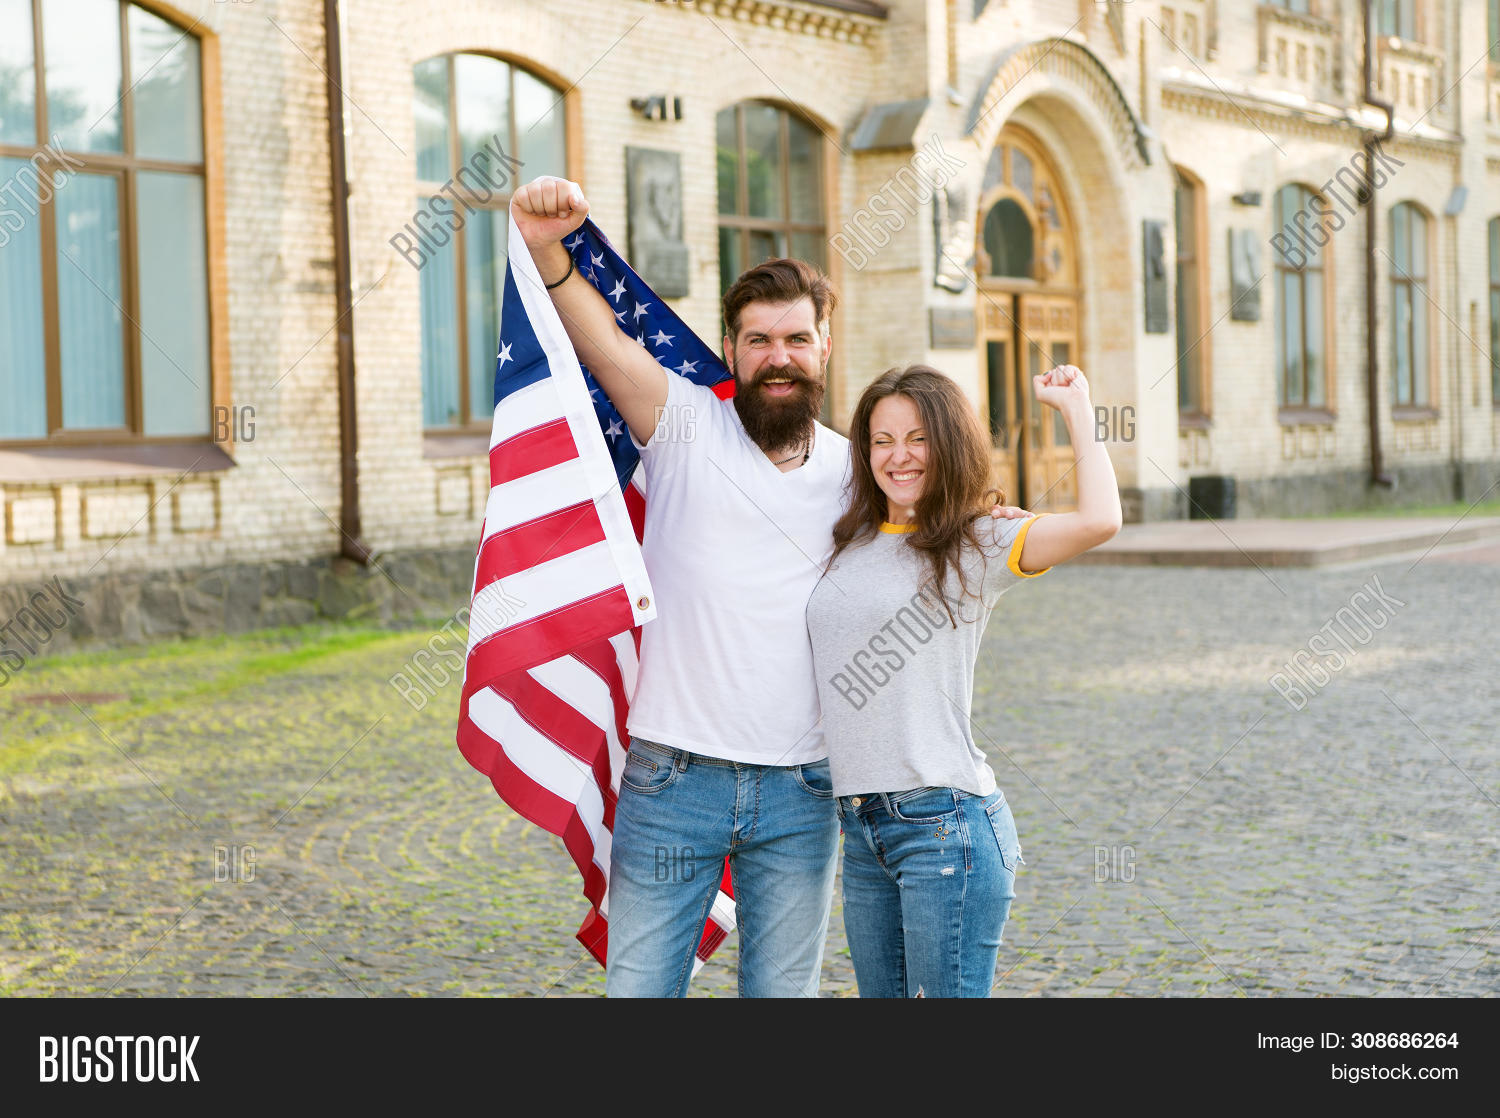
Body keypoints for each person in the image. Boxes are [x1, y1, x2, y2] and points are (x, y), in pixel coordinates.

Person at [509, 177, 1021, 997]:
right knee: (638, 991)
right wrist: (548, 251)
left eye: (795, 339)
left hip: (803, 790)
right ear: (732, 347)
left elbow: (939, 509)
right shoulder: (680, 423)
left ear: (825, 347)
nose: (778, 357)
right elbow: (603, 344)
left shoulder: (860, 471)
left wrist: (997, 516)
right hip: (673, 778)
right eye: (758, 340)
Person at [805, 363, 1122, 997]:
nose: (898, 456)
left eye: (918, 438)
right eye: (882, 440)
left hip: (944, 828)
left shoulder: (979, 540)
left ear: (949, 444)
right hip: (861, 829)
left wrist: (1076, 409)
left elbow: (1100, 520)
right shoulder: (846, 539)